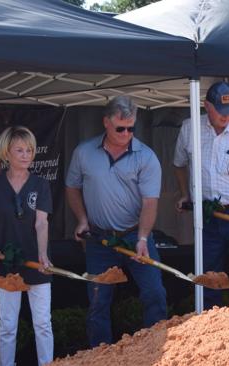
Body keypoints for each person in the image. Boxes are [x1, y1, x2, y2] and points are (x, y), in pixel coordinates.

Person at [65, 95, 167, 347]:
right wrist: (82, 220)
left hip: (134, 234)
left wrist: (143, 237)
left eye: (131, 128)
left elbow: (150, 202)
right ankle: (100, 355)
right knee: (98, 299)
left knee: (154, 292)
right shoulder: (84, 152)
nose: (126, 134)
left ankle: (156, 349)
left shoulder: (146, 157)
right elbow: (72, 186)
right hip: (99, 237)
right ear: (106, 123)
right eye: (120, 128)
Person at [173, 81, 229, 310]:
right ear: (207, 106)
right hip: (208, 215)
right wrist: (185, 194)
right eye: (221, 111)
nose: (227, 116)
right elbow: (179, 163)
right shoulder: (190, 128)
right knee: (208, 279)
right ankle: (211, 325)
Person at [0, 126, 54, 366]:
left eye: (30, 150)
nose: (26, 155)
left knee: (43, 322)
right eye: (20, 150)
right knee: (8, 324)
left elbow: (41, 223)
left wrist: (43, 255)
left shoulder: (40, 184)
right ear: (7, 153)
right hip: (6, 264)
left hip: (36, 263)